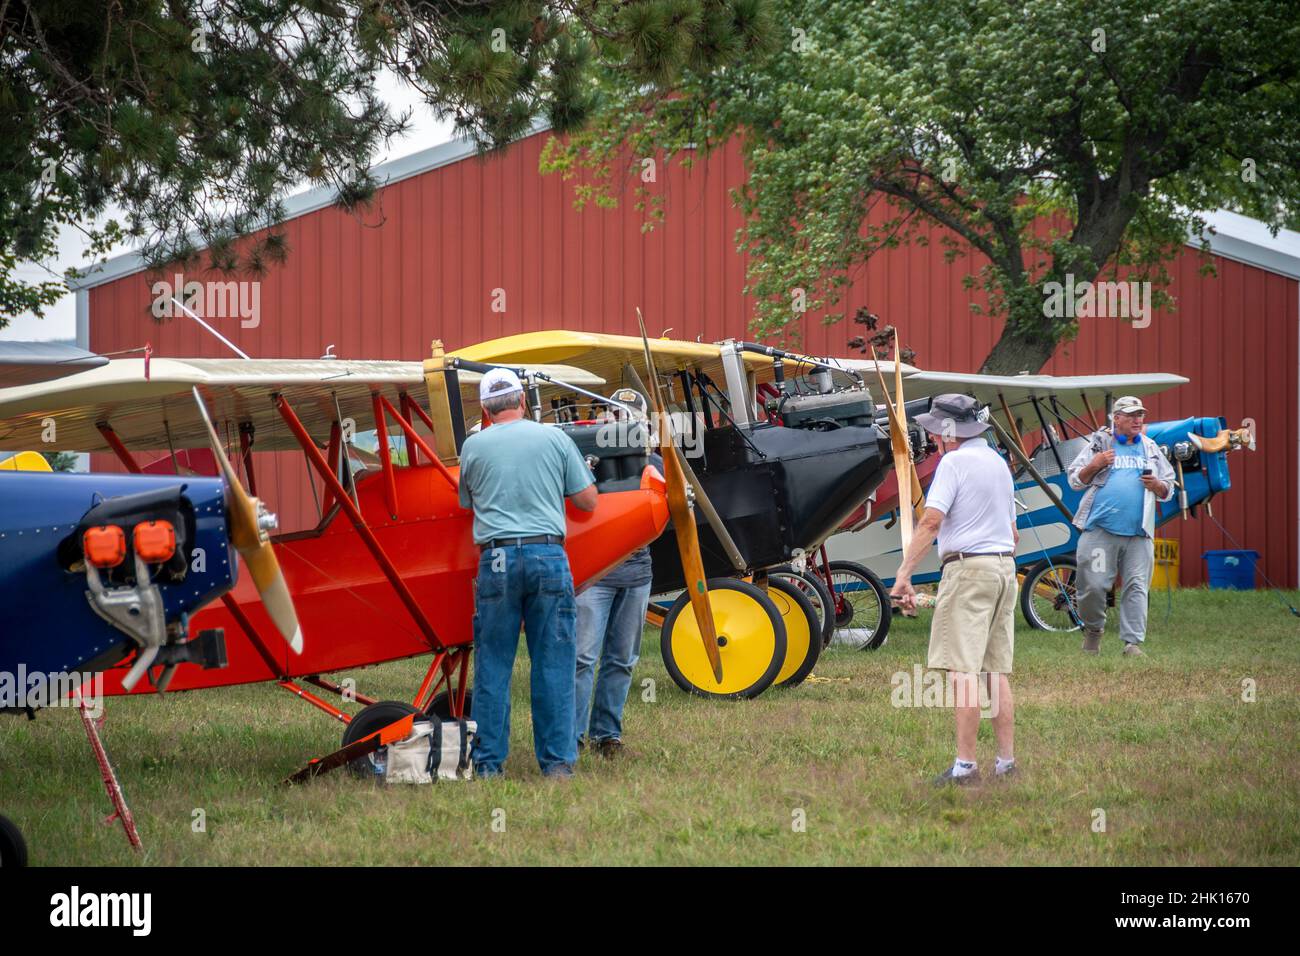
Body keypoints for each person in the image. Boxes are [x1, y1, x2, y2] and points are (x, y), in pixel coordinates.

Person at [458, 367, 598, 779]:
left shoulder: (473, 447)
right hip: (547, 555)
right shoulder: (554, 438)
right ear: (522, 401)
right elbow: (587, 502)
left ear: (485, 408)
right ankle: (556, 766)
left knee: (494, 665)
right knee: (553, 662)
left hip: (496, 560)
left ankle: (488, 766)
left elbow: (468, 502)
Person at [890, 394, 1019, 786]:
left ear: (949, 433)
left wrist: (903, 576)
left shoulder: (953, 463)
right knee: (994, 669)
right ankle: (1006, 762)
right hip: (1004, 568)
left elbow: (930, 523)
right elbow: (1014, 534)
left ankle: (965, 766)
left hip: (968, 570)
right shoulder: (998, 463)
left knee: (962, 670)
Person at [574, 389, 659, 759]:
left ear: (643, 421)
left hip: (637, 571)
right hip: (594, 573)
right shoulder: (582, 459)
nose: (619, 420)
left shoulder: (654, 460)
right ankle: (571, 737)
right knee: (582, 657)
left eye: (628, 414)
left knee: (623, 658)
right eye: (613, 413)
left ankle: (607, 736)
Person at [1067, 395, 1176, 657]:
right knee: (1092, 585)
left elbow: (1170, 486)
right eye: (1131, 415)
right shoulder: (1099, 443)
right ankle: (1094, 630)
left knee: (1137, 586)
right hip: (1099, 530)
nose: (1138, 419)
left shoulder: (1150, 447)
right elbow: (1074, 480)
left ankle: (1132, 644)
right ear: (1116, 418)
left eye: (1140, 415)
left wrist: (1158, 486)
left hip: (1139, 532)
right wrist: (1095, 464)